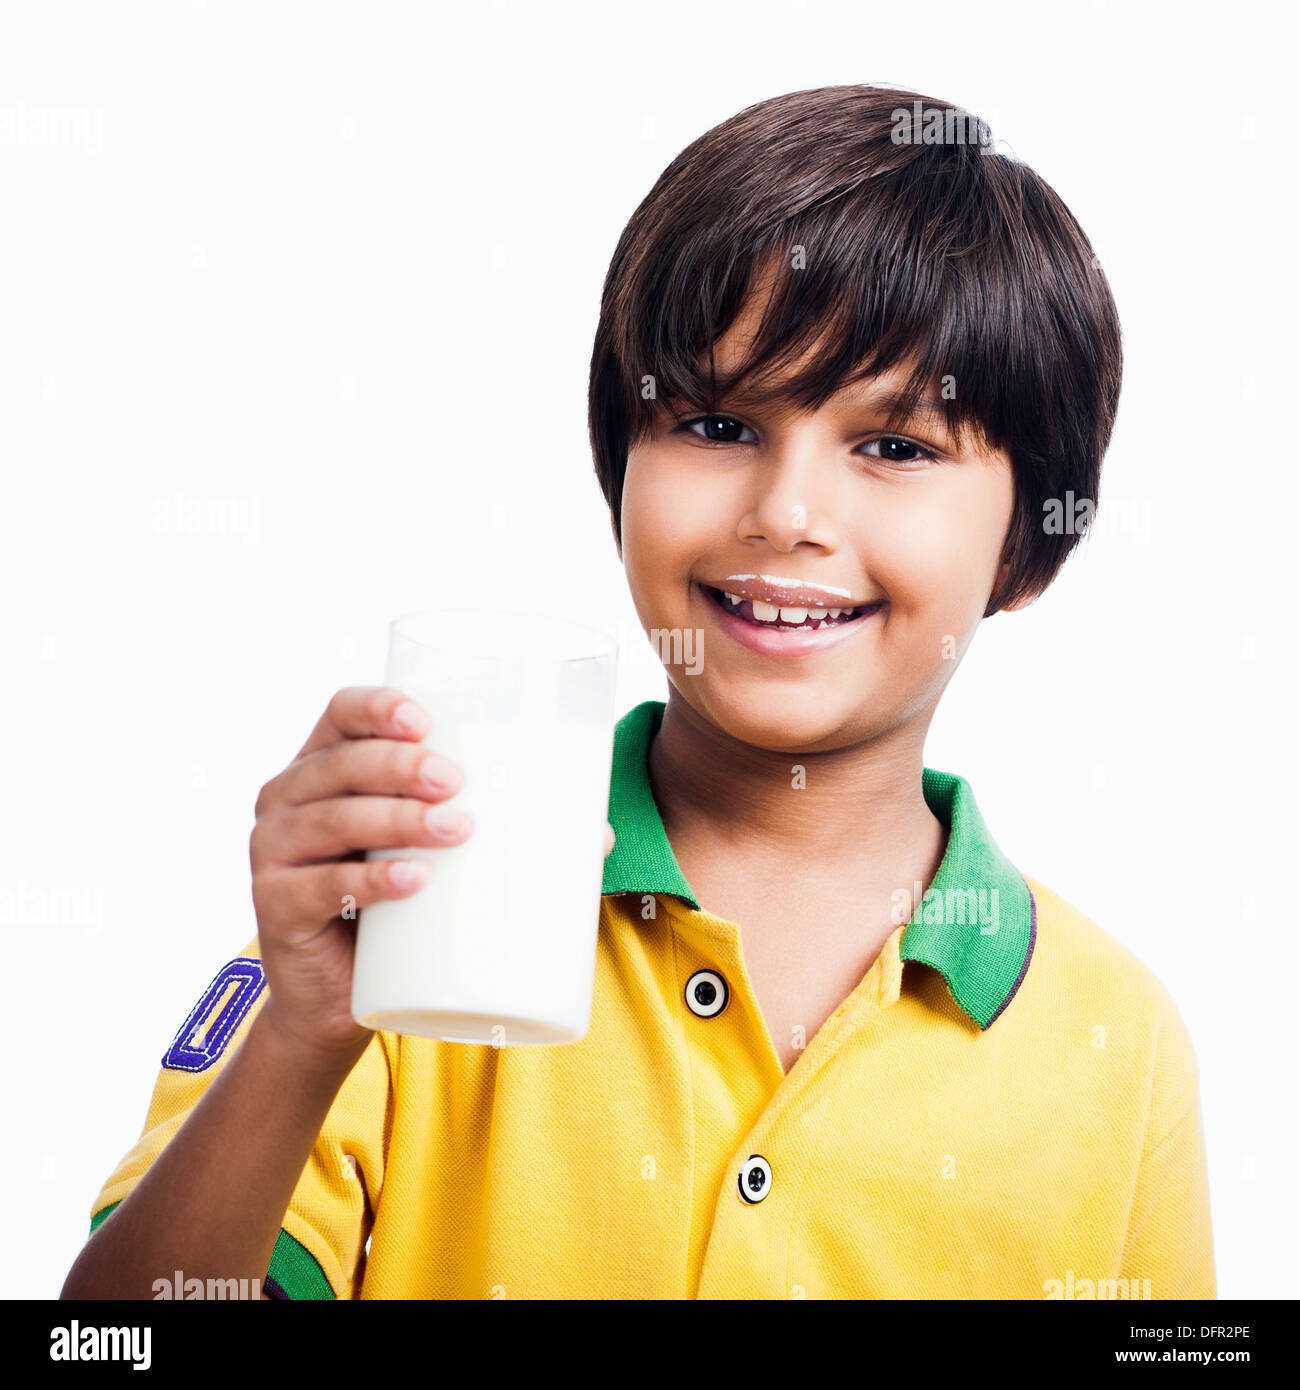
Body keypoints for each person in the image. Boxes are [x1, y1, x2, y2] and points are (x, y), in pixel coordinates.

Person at [62, 83, 1214, 1300]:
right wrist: (297, 1044)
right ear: (620, 471)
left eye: (895, 446)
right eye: (717, 424)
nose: (787, 514)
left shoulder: (1113, 1040)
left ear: (1027, 545)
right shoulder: (411, 910)